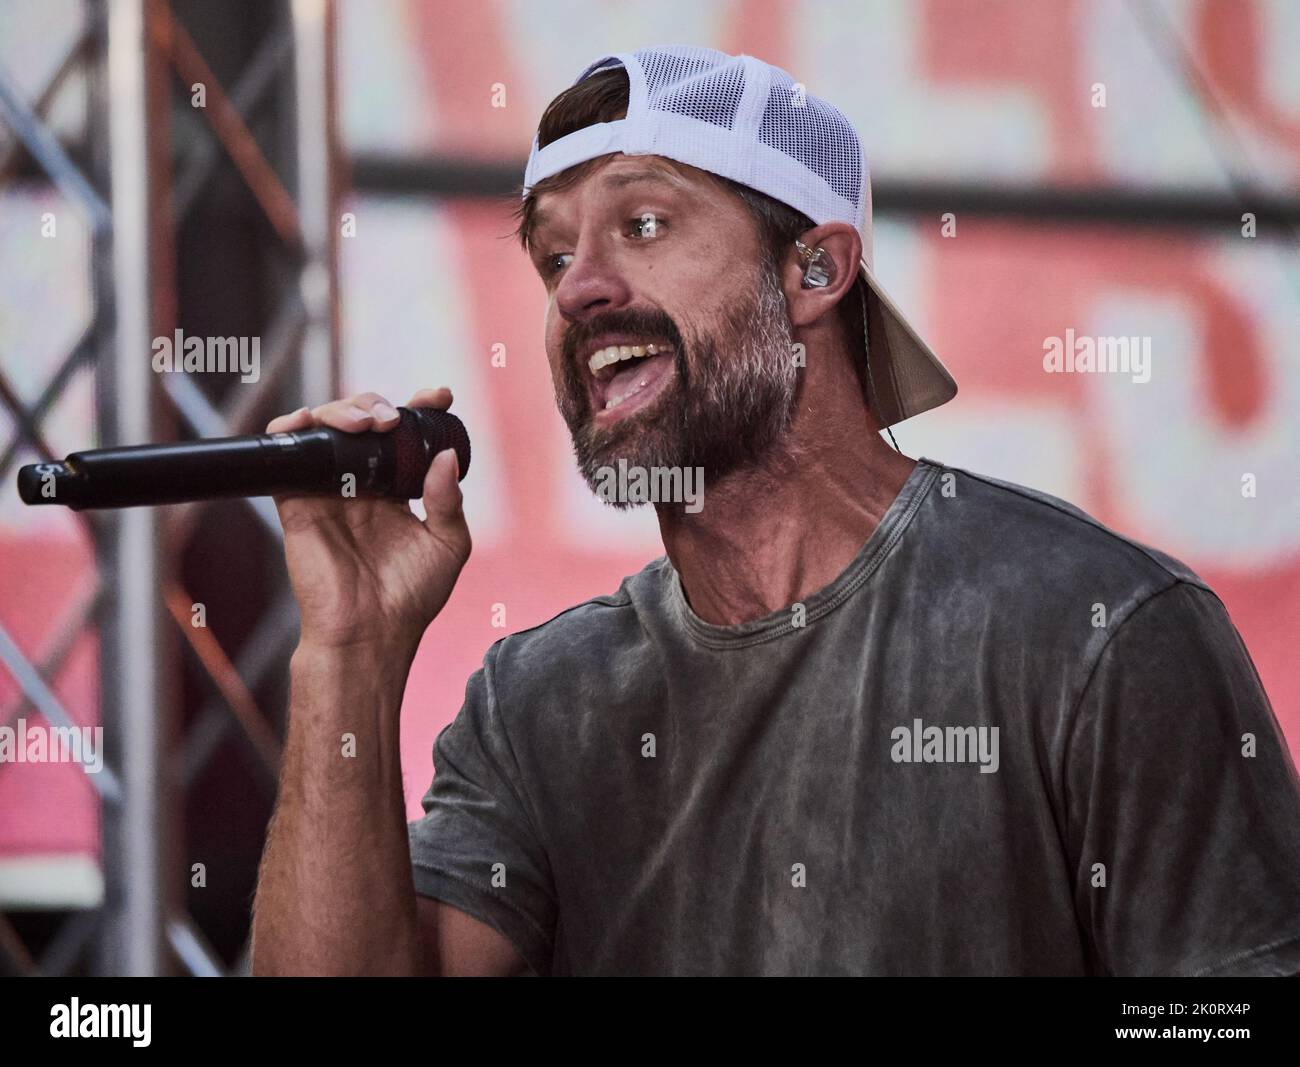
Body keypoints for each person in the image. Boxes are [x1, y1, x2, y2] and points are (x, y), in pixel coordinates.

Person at [250, 46, 1300, 976]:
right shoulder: (537, 706)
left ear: (815, 269)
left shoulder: (1096, 629)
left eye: (643, 222)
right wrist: (347, 646)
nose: (577, 290)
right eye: (554, 253)